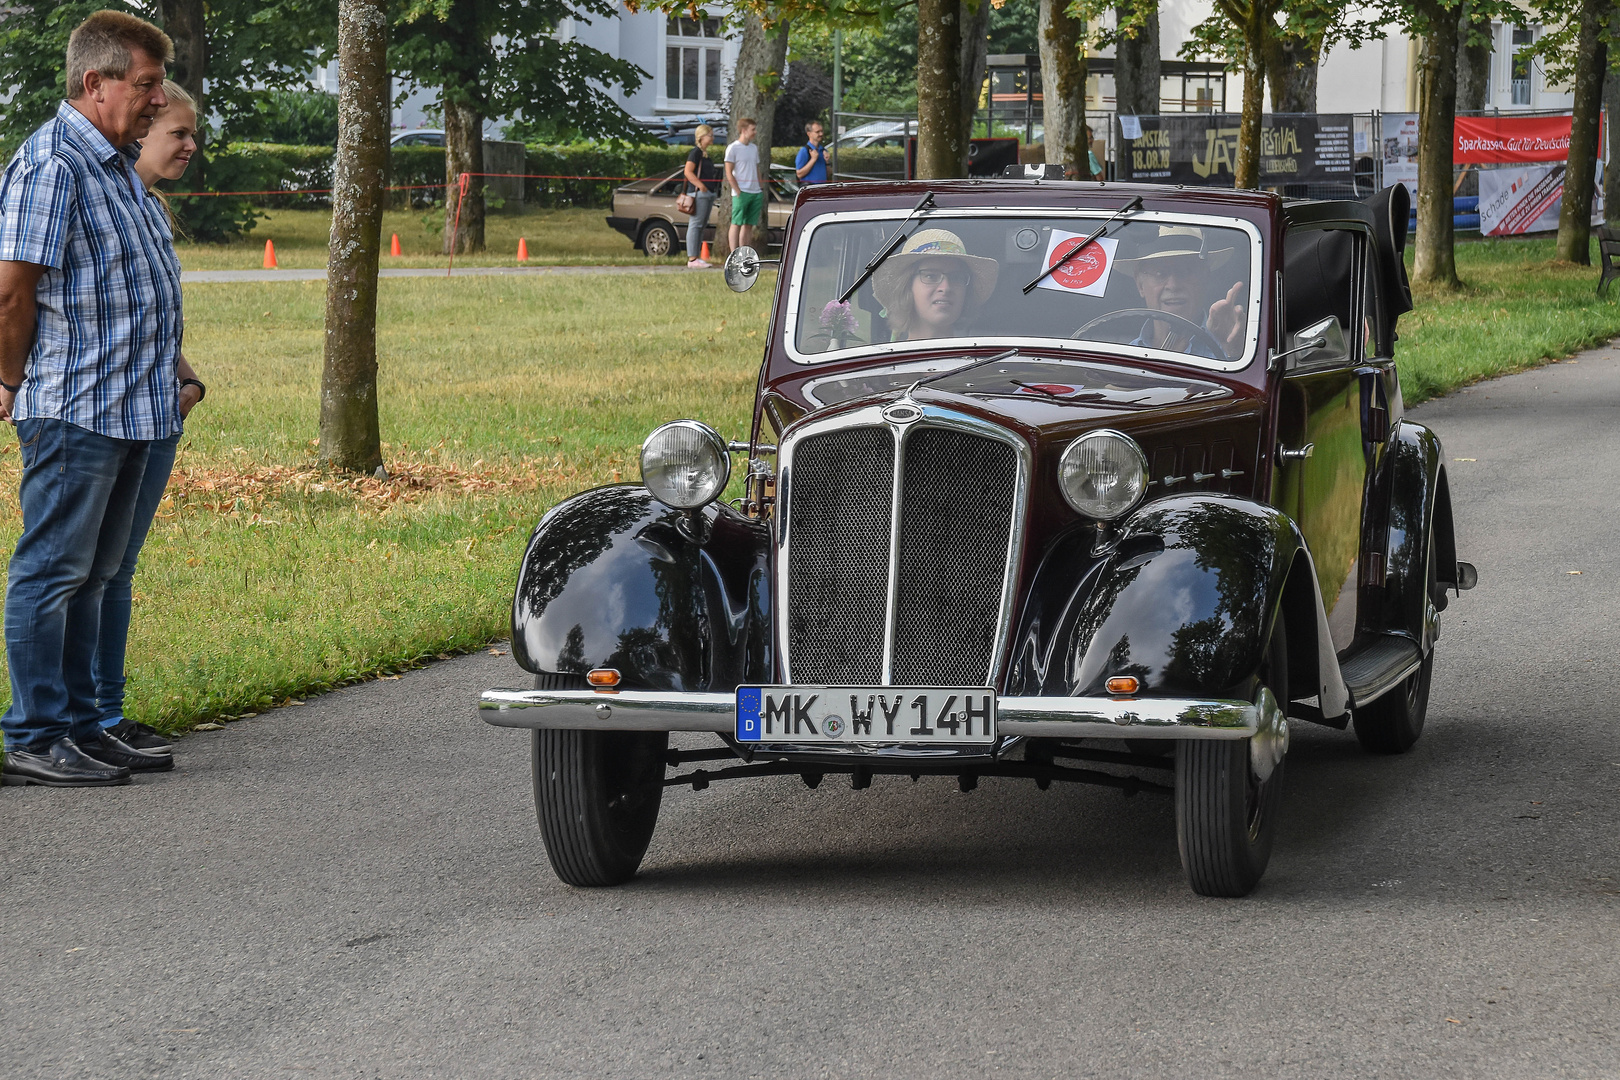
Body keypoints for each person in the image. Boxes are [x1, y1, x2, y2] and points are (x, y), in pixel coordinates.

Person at [0, 11, 181, 785]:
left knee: (97, 577)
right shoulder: (52, 167)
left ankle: (81, 723)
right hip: (76, 410)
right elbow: (12, 293)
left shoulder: (111, 164)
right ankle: (33, 735)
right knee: (51, 574)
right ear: (94, 82)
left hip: (133, 409)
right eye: (144, 85)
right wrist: (10, 384)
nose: (155, 100)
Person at [92, 78, 207, 753]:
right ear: (139, 132)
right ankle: (83, 718)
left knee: (119, 567)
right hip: (102, 412)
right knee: (90, 569)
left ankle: (106, 711)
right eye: (178, 134)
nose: (190, 147)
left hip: (157, 409)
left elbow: (146, 316)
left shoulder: (149, 207)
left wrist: (188, 380)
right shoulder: (92, 199)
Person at [1115, 225, 1246, 359]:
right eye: (1160, 273)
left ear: (1205, 278)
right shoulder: (1123, 362)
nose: (1173, 285)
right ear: (1140, 285)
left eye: (1186, 272)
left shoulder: (1234, 351)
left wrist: (1233, 353)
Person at [871, 229, 999, 341]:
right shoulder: (884, 364)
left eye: (956, 277)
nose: (946, 288)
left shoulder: (981, 363)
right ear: (907, 286)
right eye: (930, 276)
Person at [682, 123, 721, 269]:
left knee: (701, 225)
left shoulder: (705, 154)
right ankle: (692, 258)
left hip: (707, 193)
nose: (713, 138)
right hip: (699, 194)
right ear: (702, 136)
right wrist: (701, 185)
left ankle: (696, 257)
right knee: (696, 224)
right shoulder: (695, 152)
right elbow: (688, 171)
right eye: (710, 135)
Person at [724, 117, 762, 253]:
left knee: (748, 224)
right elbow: (728, 171)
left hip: (755, 191)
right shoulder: (733, 148)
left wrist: (760, 186)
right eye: (753, 129)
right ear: (744, 130)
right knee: (737, 222)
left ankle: (745, 252)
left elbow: (756, 168)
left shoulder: (753, 148)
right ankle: (734, 253)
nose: (755, 132)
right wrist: (737, 190)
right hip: (741, 191)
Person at [795, 120, 828, 185]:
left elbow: (827, 174)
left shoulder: (823, 150)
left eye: (821, 131)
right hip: (810, 189)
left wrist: (827, 162)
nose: (821, 134)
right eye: (817, 132)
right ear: (809, 134)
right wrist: (813, 159)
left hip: (822, 188)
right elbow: (799, 174)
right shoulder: (804, 151)